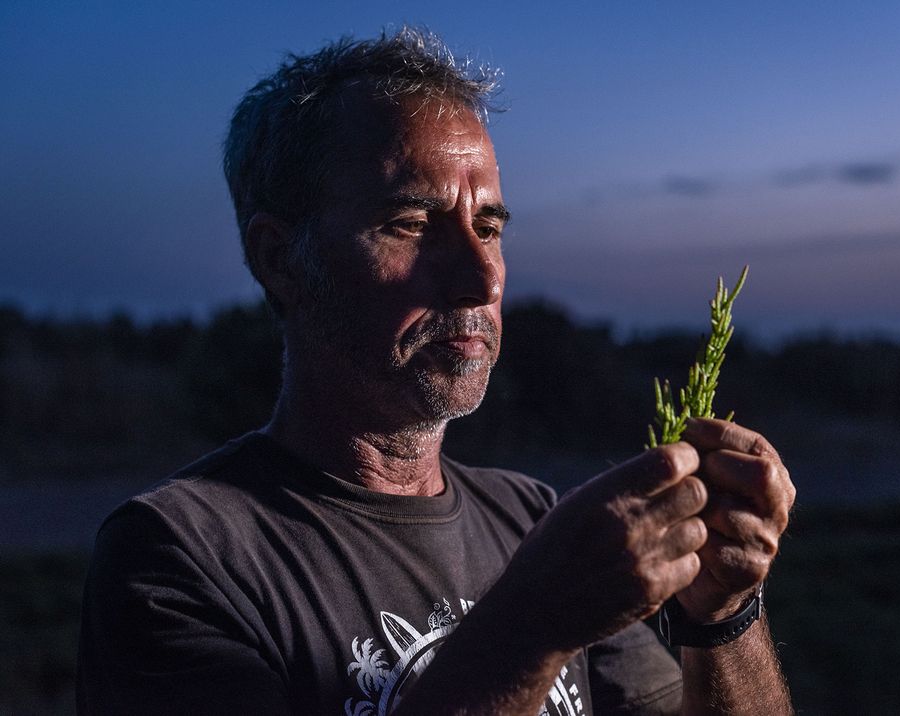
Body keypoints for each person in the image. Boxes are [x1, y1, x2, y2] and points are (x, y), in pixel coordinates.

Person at [77, 28, 796, 715]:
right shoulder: (181, 556)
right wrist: (531, 623)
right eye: (412, 225)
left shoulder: (531, 521)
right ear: (279, 258)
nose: (480, 279)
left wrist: (723, 614)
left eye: (489, 228)